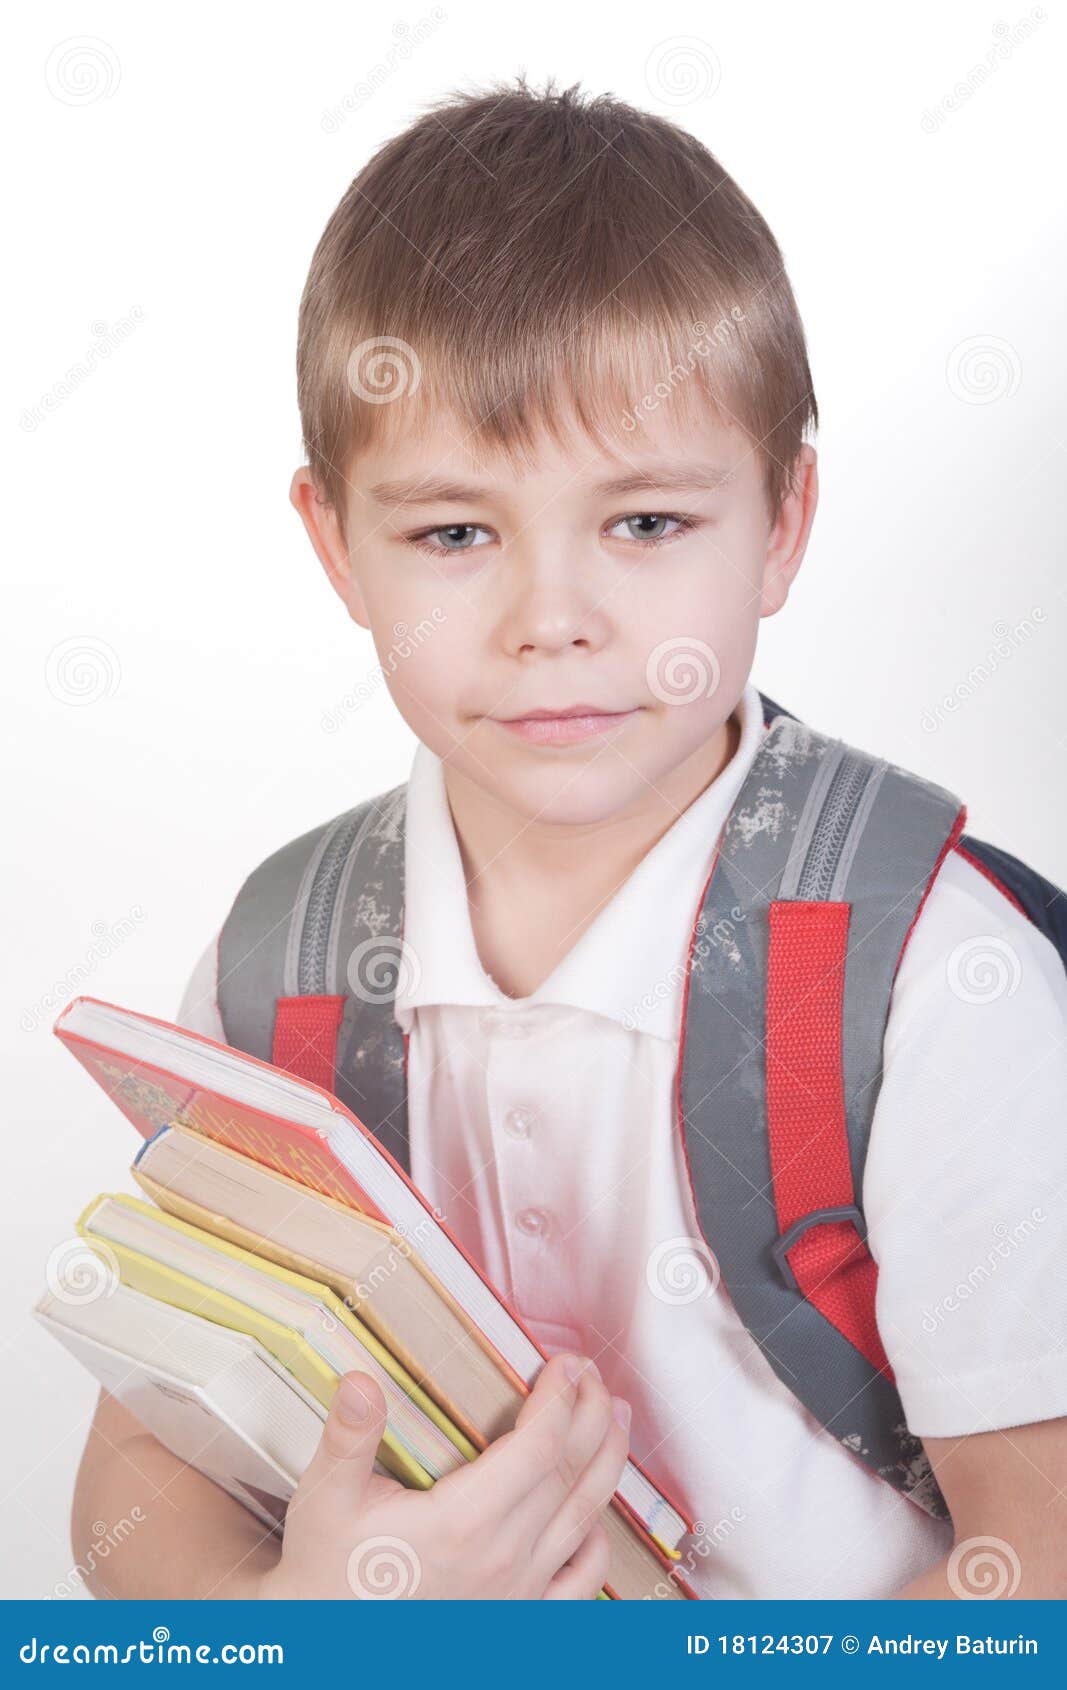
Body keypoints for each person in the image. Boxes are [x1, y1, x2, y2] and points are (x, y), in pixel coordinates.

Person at [72, 77, 1067, 1601]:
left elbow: (1040, 1552)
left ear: (785, 522)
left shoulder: (932, 985)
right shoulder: (282, 971)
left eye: (648, 524)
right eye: (455, 533)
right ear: (335, 543)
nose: (555, 622)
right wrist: (312, 1624)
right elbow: (144, 1486)